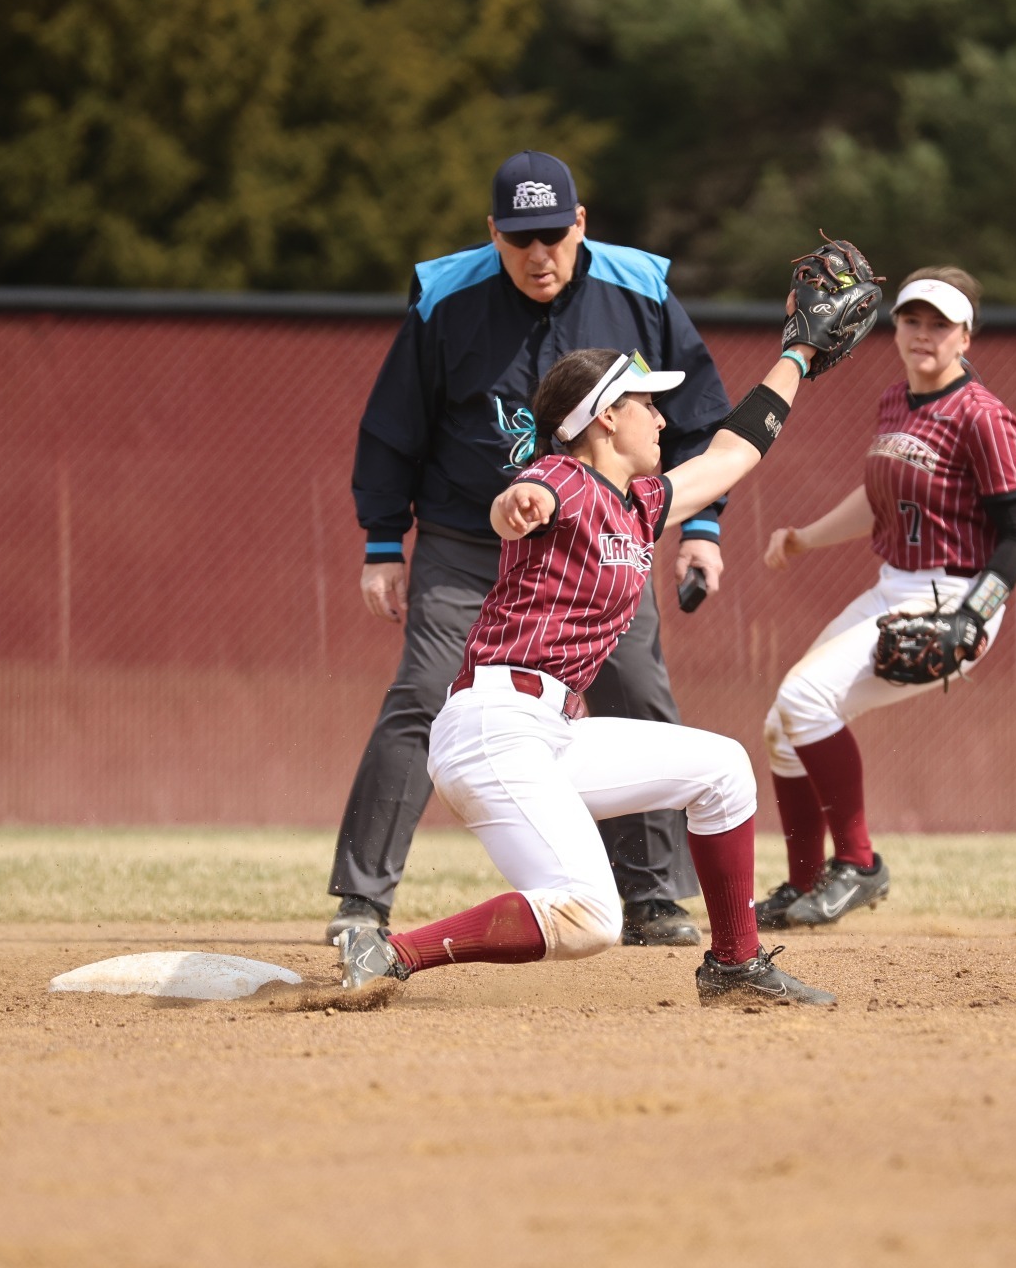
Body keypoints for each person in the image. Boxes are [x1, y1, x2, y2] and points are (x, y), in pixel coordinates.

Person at [335, 273, 875, 1004]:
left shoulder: (639, 504)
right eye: (647, 404)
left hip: (549, 732)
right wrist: (516, 502)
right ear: (605, 417)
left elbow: (733, 453)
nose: (661, 418)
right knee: (591, 916)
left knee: (723, 769)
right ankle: (390, 953)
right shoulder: (560, 478)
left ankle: (734, 965)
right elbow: (524, 496)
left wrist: (799, 354)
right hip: (494, 727)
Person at [335, 151, 734, 949]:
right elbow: (393, 424)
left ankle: (653, 895)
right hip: (467, 540)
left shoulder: (639, 287)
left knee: (637, 688)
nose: (539, 253)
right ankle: (362, 900)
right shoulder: (447, 297)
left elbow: (696, 413)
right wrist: (383, 540)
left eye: (554, 233)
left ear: (581, 223)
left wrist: (703, 529)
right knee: (421, 695)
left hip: (598, 543)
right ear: (493, 233)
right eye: (520, 238)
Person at [753, 267, 1016, 929]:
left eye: (941, 324)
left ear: (966, 336)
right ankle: (804, 883)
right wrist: (806, 538)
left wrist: (971, 616)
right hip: (896, 586)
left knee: (804, 697)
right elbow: (880, 496)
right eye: (913, 319)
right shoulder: (895, 401)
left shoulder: (982, 416)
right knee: (781, 725)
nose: (924, 334)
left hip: (954, 595)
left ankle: (859, 865)